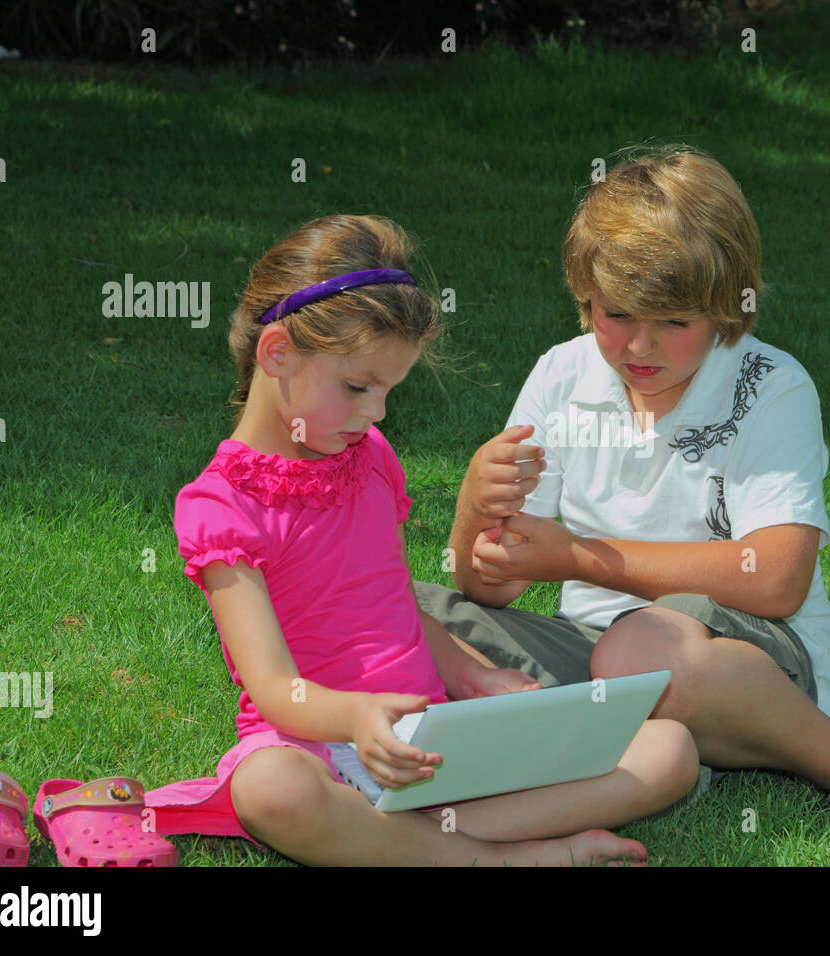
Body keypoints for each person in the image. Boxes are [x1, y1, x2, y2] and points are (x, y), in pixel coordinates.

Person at [415, 145, 830, 841]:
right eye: (617, 315)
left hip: (744, 654)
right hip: (587, 650)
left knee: (639, 649)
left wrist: (576, 558)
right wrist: (475, 505)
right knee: (395, 603)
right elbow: (492, 584)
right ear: (584, 297)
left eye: (676, 322)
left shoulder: (769, 386)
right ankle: (631, 748)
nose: (639, 346)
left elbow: (776, 580)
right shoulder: (560, 377)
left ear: (725, 309)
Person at [144, 214, 701, 866]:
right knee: (270, 791)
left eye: (388, 390)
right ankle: (508, 858)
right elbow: (272, 687)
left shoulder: (369, 456)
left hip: (428, 744)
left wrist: (472, 673)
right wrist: (355, 720)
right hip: (315, 745)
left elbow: (392, 604)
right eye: (358, 387)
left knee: (670, 750)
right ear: (277, 353)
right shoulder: (220, 506)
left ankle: (419, 841)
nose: (376, 413)